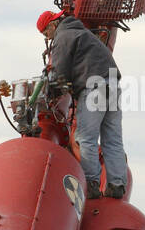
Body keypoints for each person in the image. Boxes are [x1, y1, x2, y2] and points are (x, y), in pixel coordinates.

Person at [37, 10, 127, 199]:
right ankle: (117, 185)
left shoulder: (63, 35)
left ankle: (91, 184)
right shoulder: (83, 33)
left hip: (94, 88)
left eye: (46, 33)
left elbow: (59, 71)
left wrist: (52, 90)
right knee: (113, 139)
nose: (48, 37)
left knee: (86, 138)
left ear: (52, 25)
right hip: (113, 85)